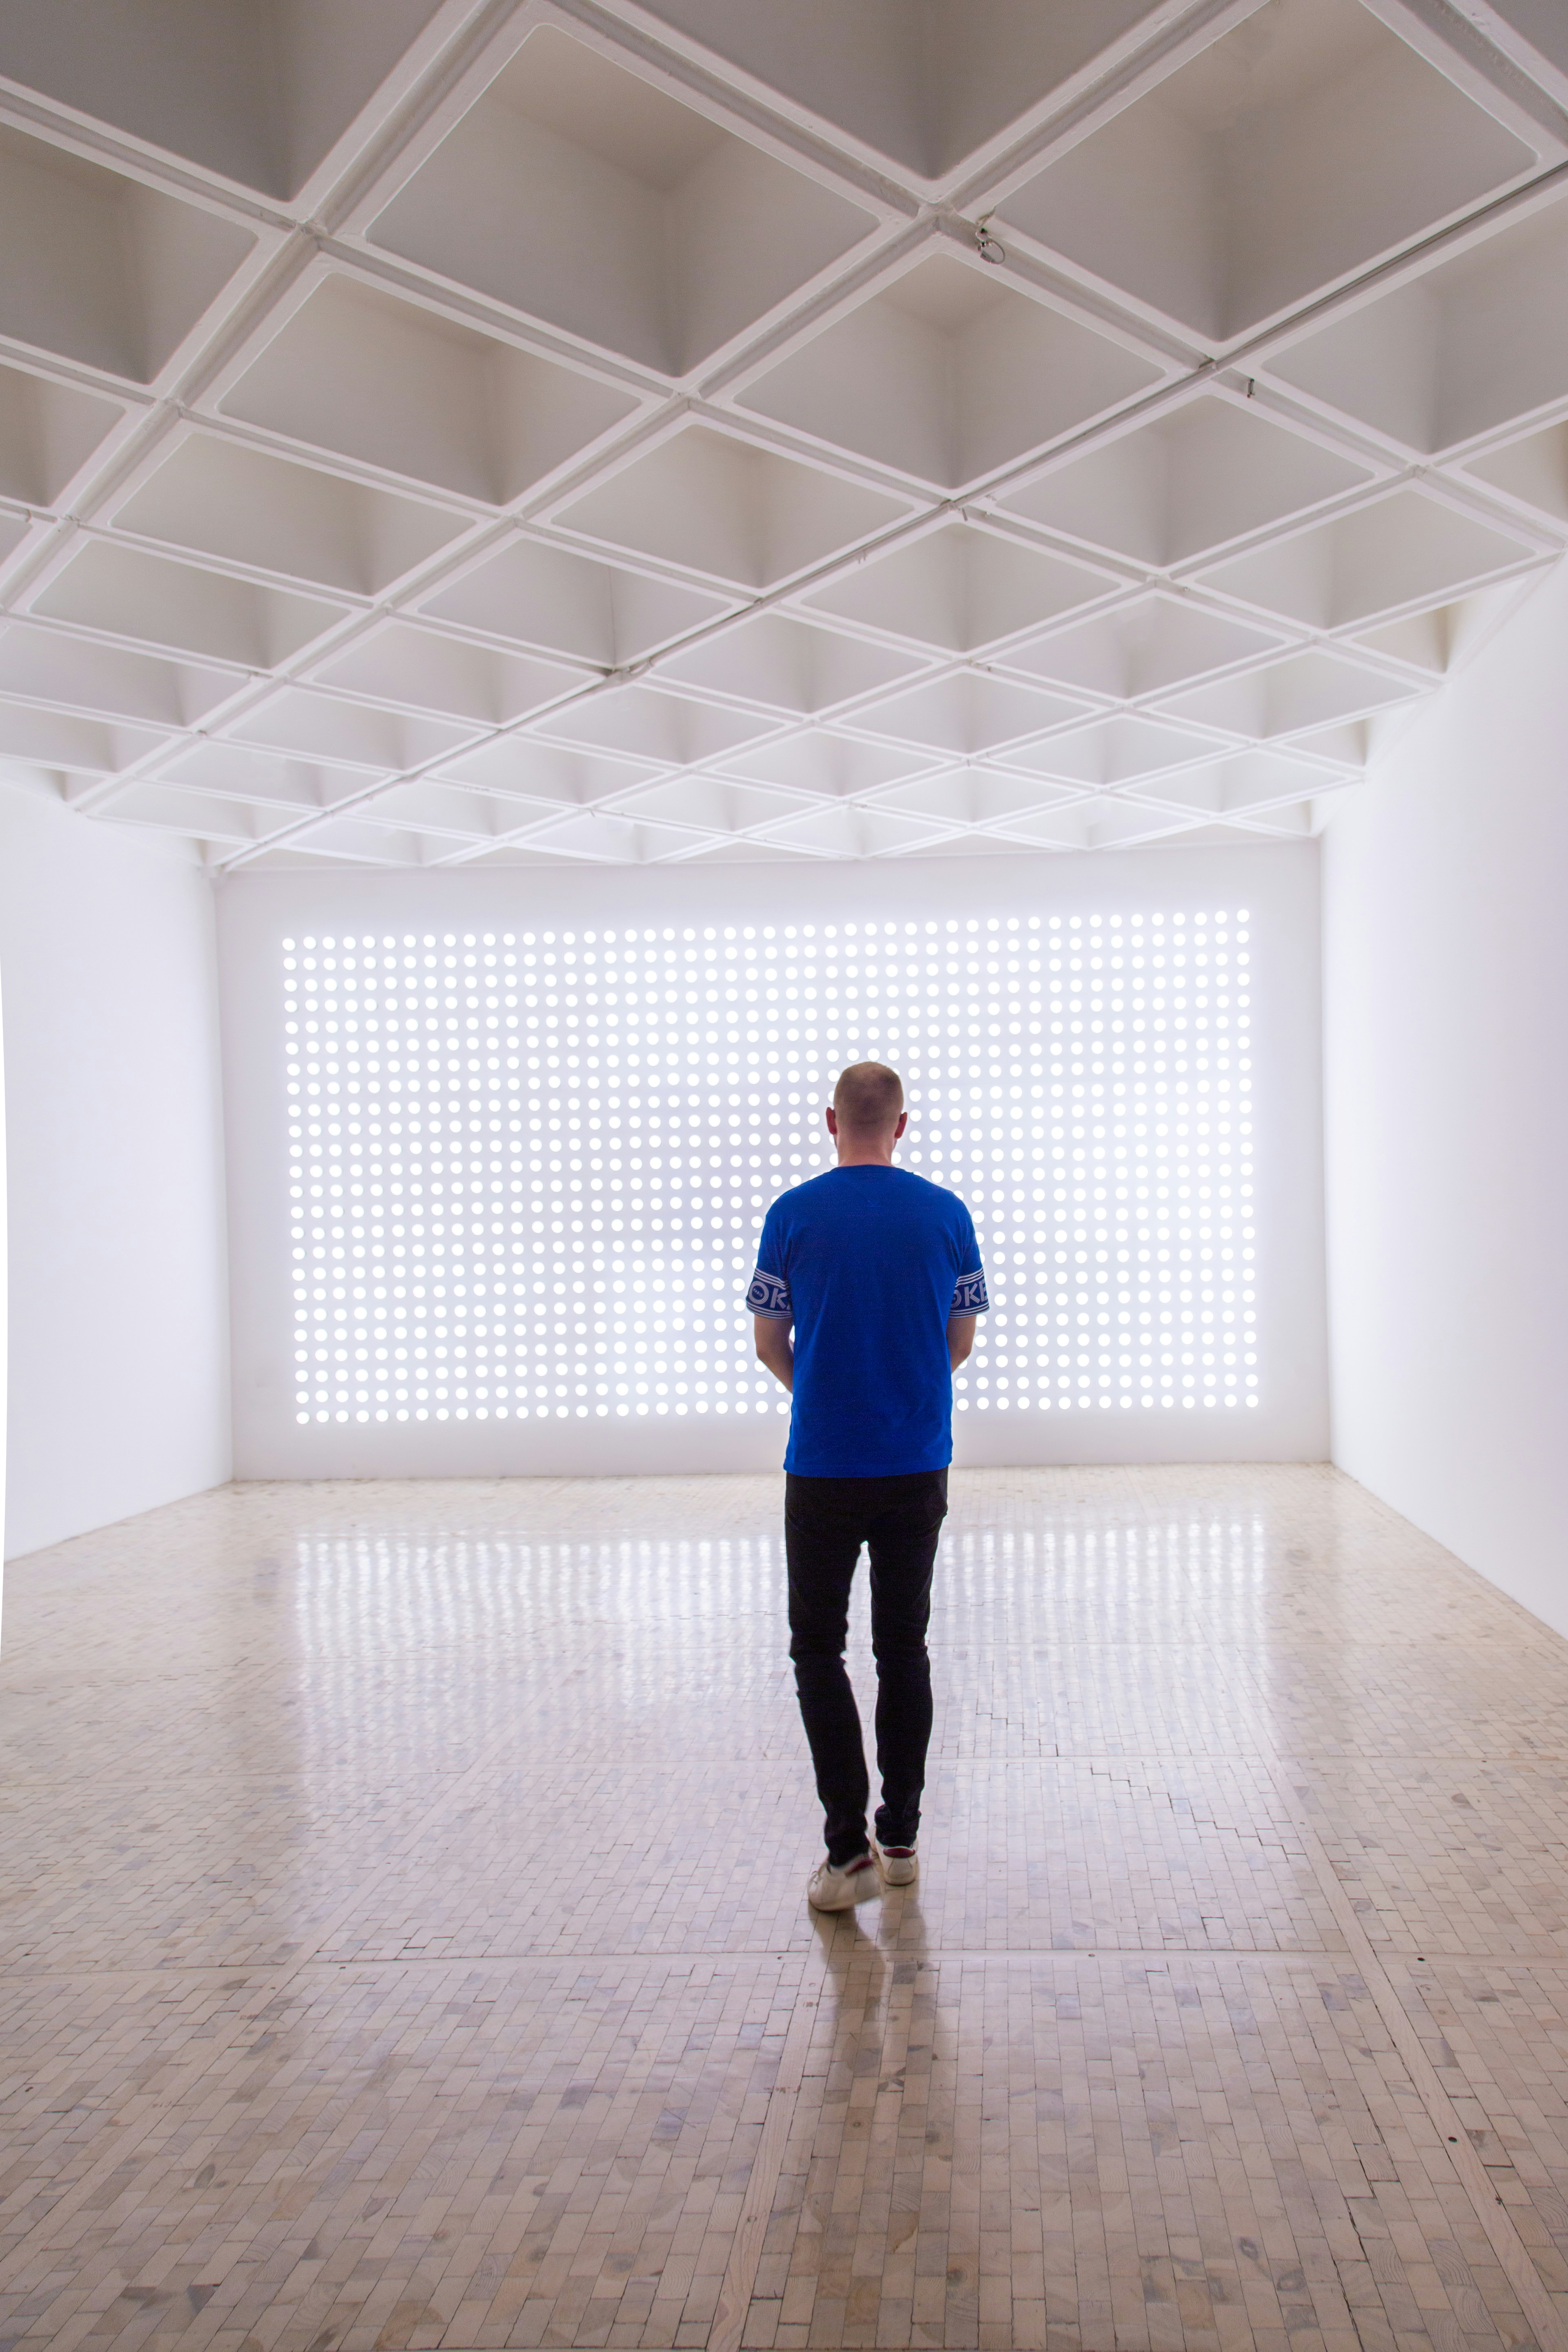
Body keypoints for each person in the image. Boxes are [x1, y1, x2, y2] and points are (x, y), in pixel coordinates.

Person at [748, 1061, 988, 1912]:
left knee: (818, 1649)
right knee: (903, 1648)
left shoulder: (793, 1214)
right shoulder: (946, 1214)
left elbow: (769, 1339)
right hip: (917, 1459)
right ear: (902, 1124)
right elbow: (958, 1339)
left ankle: (844, 1851)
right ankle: (903, 1837)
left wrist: (820, 1389)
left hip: (821, 1463)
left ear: (829, 1120)